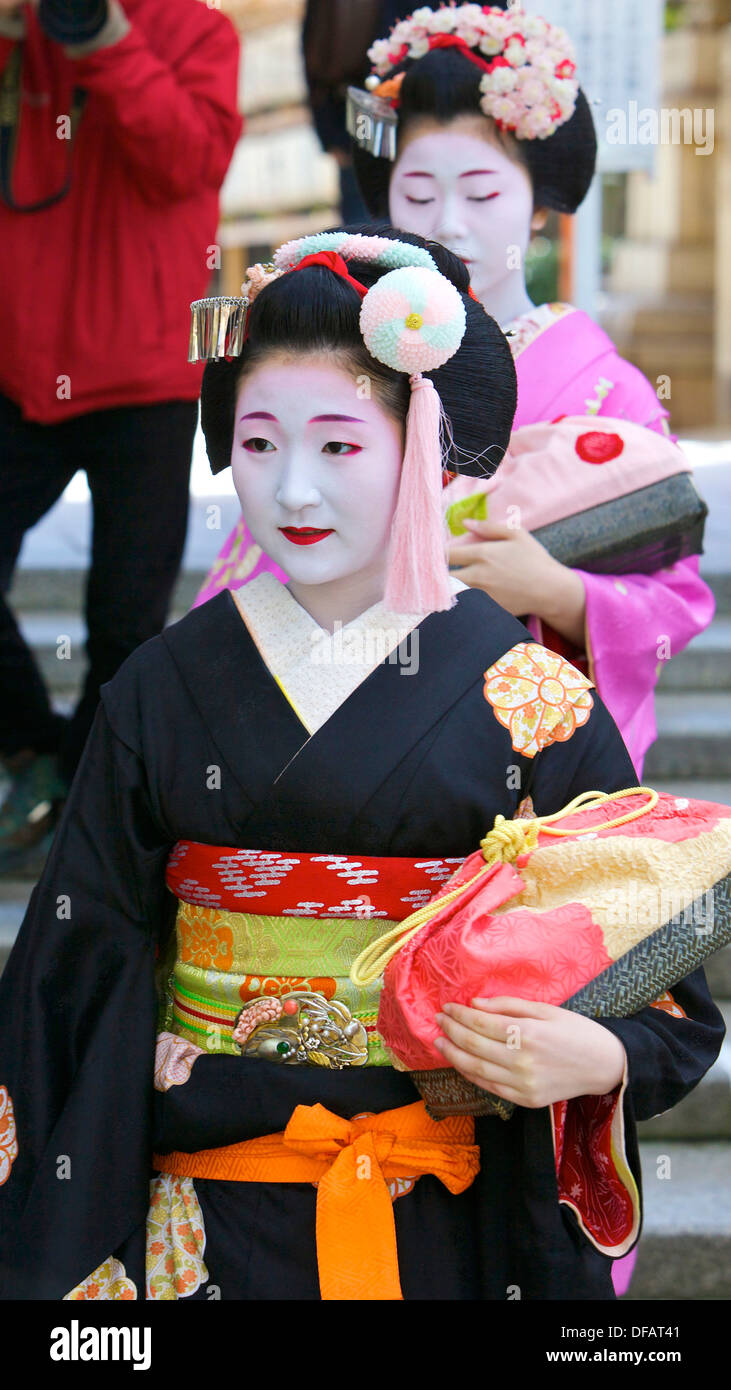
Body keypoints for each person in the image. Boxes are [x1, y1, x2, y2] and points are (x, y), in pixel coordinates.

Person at [0, 231, 722, 1301]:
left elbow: (665, 988)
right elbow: (73, 972)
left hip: (448, 1207)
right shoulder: (161, 686)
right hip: (200, 1212)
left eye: (337, 446)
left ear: (425, 449)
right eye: (255, 443)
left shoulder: (527, 691)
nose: (291, 487)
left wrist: (596, 1056)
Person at [198, 3, 713, 790]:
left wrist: (559, 593)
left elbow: (672, 602)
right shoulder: (342, 353)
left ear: (538, 203)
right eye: (416, 192)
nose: (446, 224)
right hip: (333, 722)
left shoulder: (605, 387)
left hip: (501, 744)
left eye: (480, 193)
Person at [0, 0, 242, 873]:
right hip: (16, 362)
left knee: (125, 618)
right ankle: (37, 748)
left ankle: (90, 802)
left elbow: (186, 162)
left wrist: (105, 42)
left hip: (144, 372)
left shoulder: (196, 31)